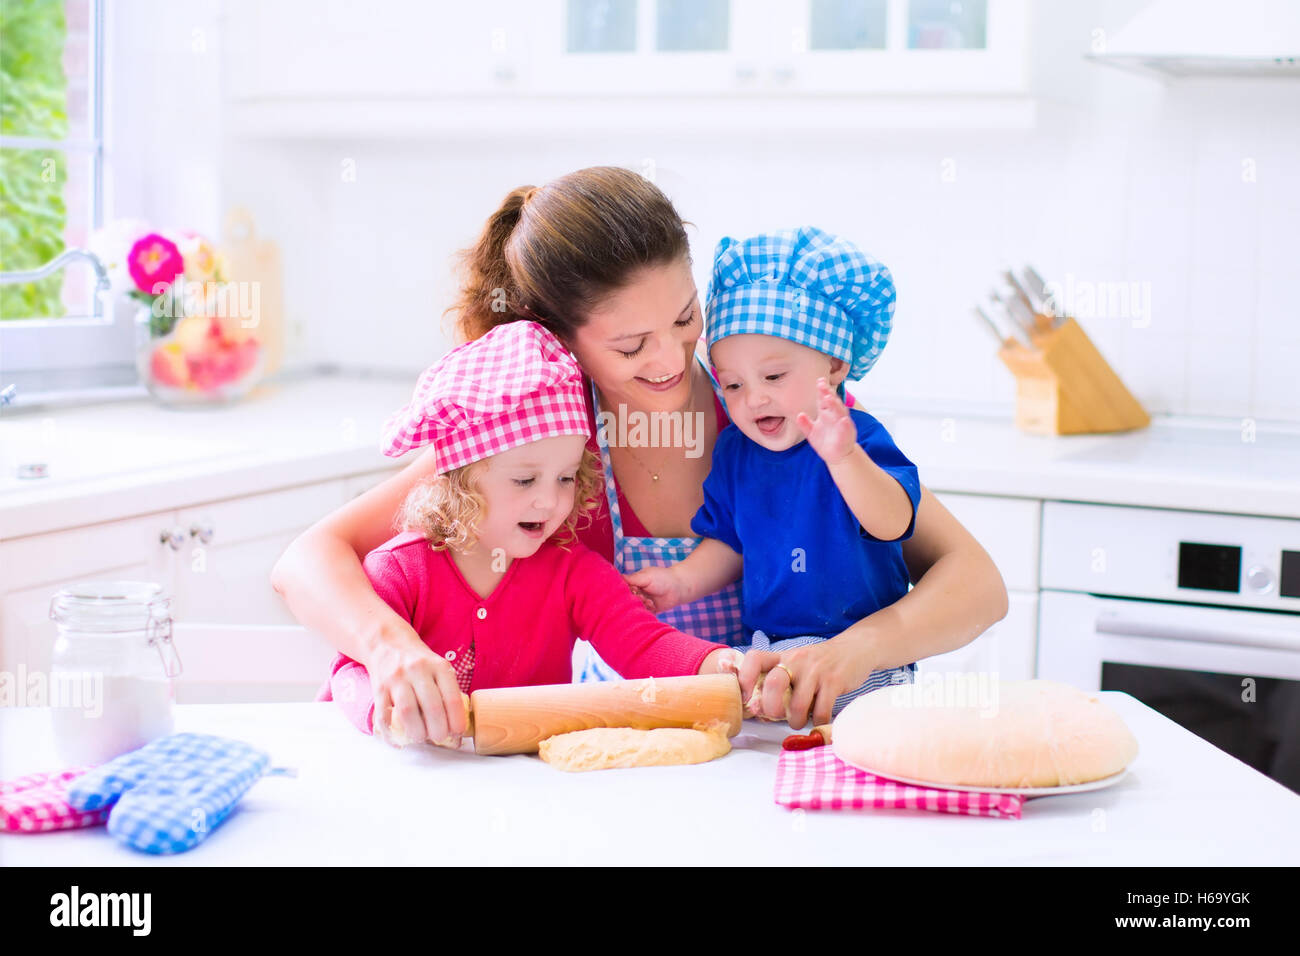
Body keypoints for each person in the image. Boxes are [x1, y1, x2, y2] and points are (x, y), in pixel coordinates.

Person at [271, 166, 1009, 741]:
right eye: (630, 345)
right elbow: (307, 560)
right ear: (562, 340)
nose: (671, 358)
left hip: (780, 757)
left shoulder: (775, 409)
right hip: (625, 771)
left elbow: (976, 581)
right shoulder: (540, 443)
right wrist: (390, 647)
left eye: (685, 318)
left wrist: (860, 649)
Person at [318, 319, 736, 745]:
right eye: (525, 481)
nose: (549, 501)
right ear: (460, 480)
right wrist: (386, 712)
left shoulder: (575, 574)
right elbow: (349, 675)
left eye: (567, 478)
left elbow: (645, 646)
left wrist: (725, 668)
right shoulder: (401, 571)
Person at [625, 227, 922, 718]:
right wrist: (681, 581)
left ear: (833, 364)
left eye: (774, 377)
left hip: (862, 664)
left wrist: (844, 459)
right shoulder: (736, 452)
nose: (753, 398)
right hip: (768, 654)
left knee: (866, 757)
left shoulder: (858, 436)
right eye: (734, 384)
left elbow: (892, 523)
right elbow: (729, 543)